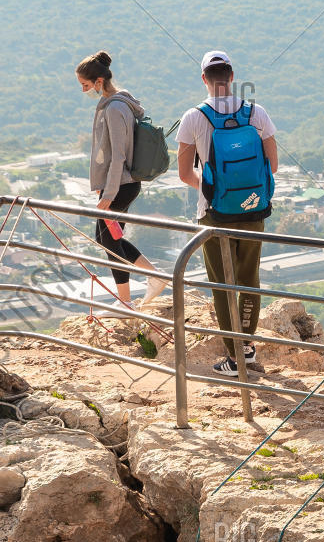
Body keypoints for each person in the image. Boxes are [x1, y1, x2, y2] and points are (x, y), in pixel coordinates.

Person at [176, 51, 277, 377]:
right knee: (250, 279)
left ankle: (235, 359)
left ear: (204, 79)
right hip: (253, 211)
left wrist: (210, 192)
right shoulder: (256, 113)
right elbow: (272, 166)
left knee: (222, 285)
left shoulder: (194, 116)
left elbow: (183, 173)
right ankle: (246, 347)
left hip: (215, 216)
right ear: (232, 76)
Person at [77, 50, 165, 308]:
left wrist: (108, 193)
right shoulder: (117, 102)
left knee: (109, 241)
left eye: (85, 85)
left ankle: (128, 299)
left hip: (121, 187)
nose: (84, 90)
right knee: (107, 239)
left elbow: (118, 156)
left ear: (99, 81)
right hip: (120, 185)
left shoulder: (115, 108)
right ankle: (151, 278)